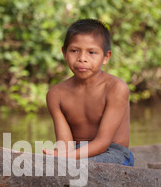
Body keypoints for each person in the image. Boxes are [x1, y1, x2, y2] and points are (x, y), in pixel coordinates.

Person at [43, 19, 134, 166]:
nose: (82, 59)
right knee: (50, 165)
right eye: (74, 51)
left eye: (92, 52)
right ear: (64, 53)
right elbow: (65, 143)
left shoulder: (115, 88)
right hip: (77, 152)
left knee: (79, 165)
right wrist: (59, 155)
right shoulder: (56, 95)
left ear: (106, 57)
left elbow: (103, 142)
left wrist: (67, 159)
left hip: (114, 153)